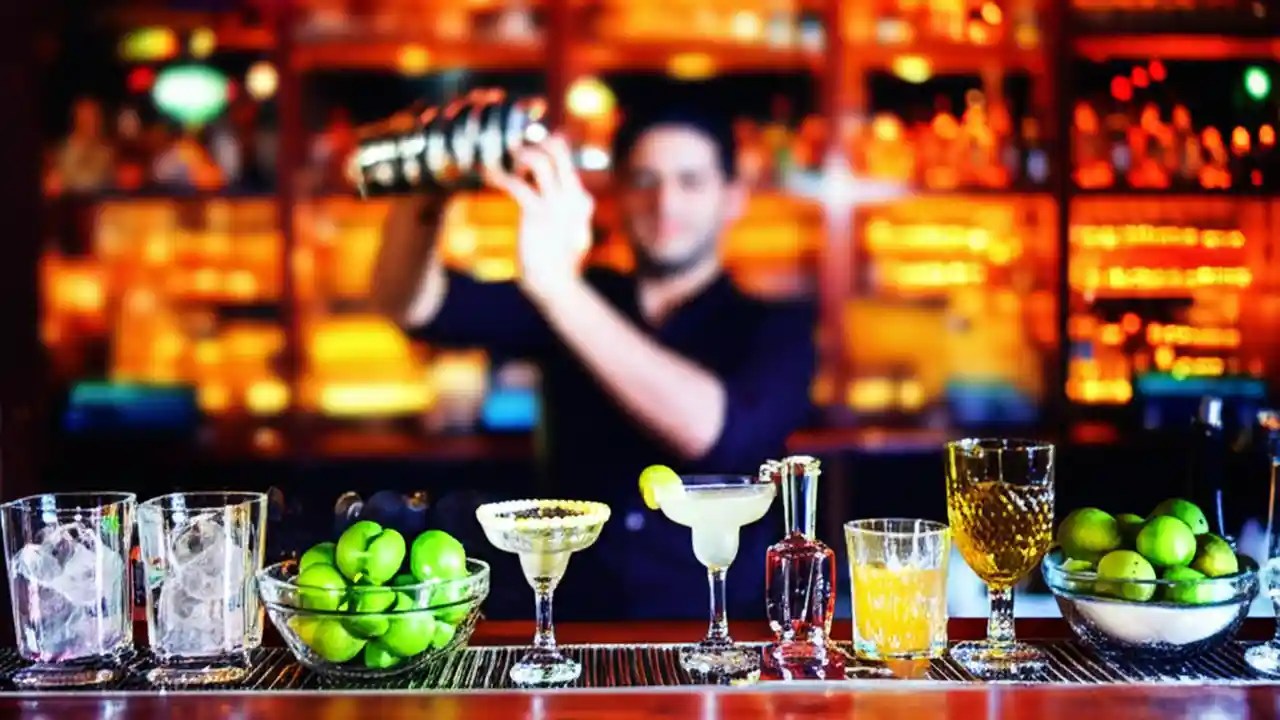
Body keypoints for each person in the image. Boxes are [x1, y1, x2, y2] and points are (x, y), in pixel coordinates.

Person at [370, 100, 817, 620]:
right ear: (616, 195)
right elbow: (413, 305)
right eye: (645, 180)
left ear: (733, 197)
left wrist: (557, 287)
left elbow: (717, 434)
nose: (665, 202)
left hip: (720, 633)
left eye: (691, 181)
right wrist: (430, 185)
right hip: (568, 627)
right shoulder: (581, 296)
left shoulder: (776, 328)